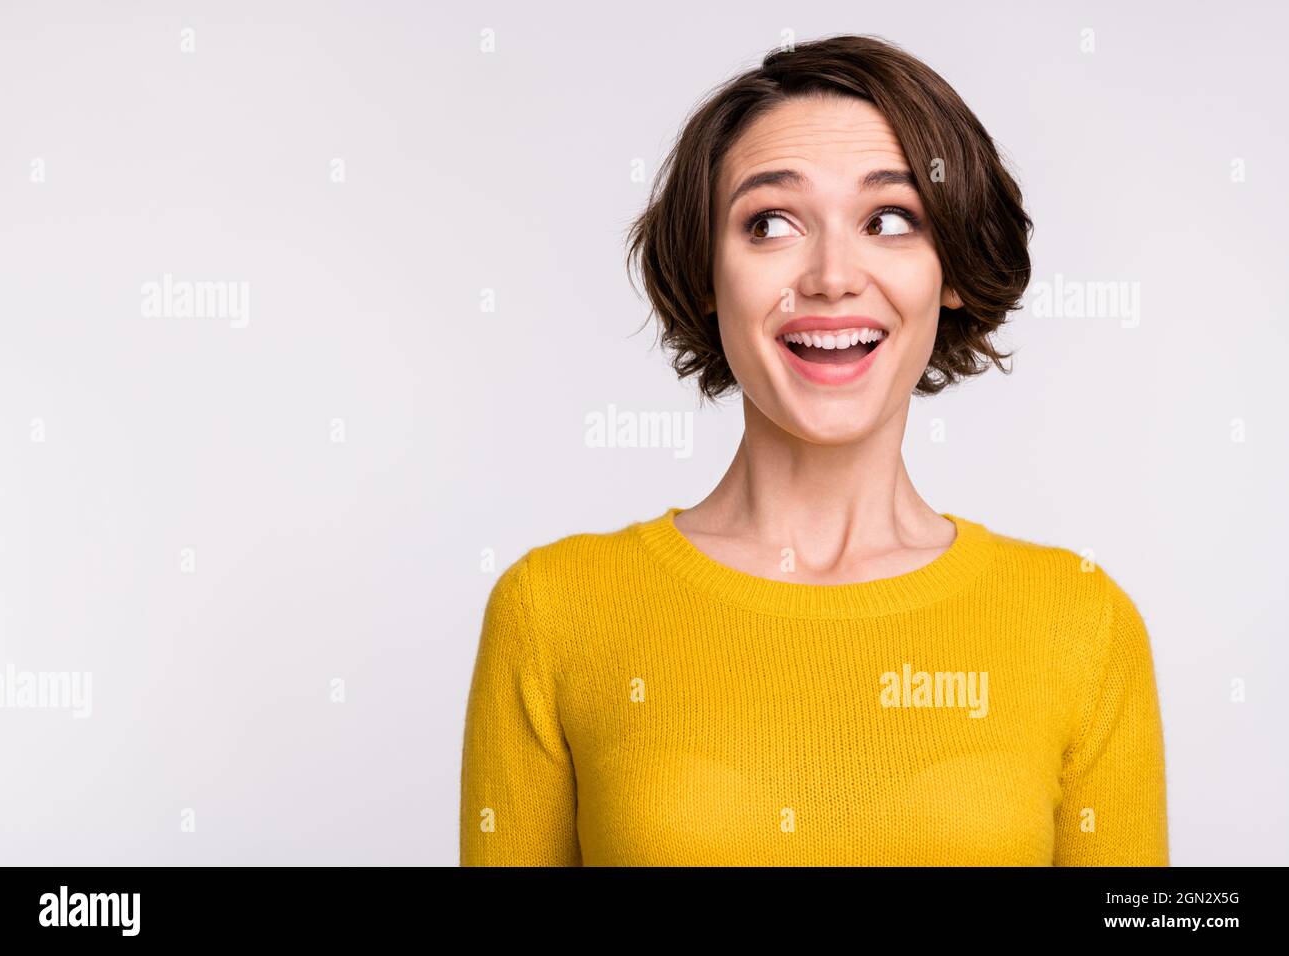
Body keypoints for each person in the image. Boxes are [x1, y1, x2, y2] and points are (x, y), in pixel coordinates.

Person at [460, 33, 1168, 866]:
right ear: (708, 272)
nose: (833, 275)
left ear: (951, 272)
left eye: (889, 219)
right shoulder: (551, 613)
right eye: (770, 223)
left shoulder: (1082, 626)